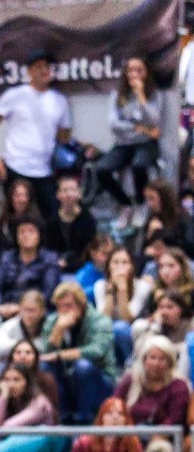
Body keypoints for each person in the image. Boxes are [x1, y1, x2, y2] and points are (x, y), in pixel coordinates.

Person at [0, 48, 73, 221]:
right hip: (16, 167)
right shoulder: (15, 95)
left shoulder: (60, 101)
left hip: (44, 171)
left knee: (52, 218)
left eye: (47, 66)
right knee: (15, 218)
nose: (44, 70)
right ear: (29, 71)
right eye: (38, 67)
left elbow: (64, 137)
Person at [41, 281, 119, 425]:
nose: (63, 310)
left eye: (69, 305)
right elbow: (45, 355)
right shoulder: (53, 322)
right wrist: (58, 330)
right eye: (59, 306)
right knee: (44, 368)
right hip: (67, 378)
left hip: (100, 379)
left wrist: (59, 355)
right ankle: (62, 419)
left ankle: (85, 422)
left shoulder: (100, 321)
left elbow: (97, 352)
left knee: (82, 366)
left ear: (81, 304)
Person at [92, 56, 163, 209]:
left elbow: (154, 121)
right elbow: (114, 124)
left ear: (146, 72)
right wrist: (142, 129)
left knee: (139, 166)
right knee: (101, 169)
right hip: (123, 144)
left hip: (146, 144)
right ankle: (125, 203)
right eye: (130, 70)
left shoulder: (155, 94)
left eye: (139, 70)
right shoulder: (117, 95)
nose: (134, 74)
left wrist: (141, 96)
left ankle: (140, 203)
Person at [59, 398, 143, 452]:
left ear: (126, 420)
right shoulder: (83, 443)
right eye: (109, 413)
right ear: (101, 418)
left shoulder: (132, 445)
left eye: (120, 413)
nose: (115, 417)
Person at [112, 336, 189, 427]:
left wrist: (156, 435)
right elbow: (113, 406)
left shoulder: (178, 386)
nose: (156, 364)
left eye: (162, 359)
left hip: (163, 437)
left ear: (170, 362)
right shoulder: (130, 379)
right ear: (144, 360)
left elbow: (175, 419)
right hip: (129, 435)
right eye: (152, 358)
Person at [0, 217, 61, 313]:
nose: (26, 235)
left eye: (31, 232)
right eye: (22, 232)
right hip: (6, 307)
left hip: (35, 310)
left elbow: (48, 294)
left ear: (39, 236)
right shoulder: (7, 257)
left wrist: (20, 308)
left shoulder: (49, 259)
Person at [97, 246, 152, 365]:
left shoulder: (142, 286)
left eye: (125, 262)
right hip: (108, 332)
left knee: (119, 327)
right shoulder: (100, 285)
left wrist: (122, 289)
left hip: (134, 333)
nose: (119, 267)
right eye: (115, 262)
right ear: (108, 266)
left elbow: (126, 319)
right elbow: (103, 319)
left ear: (131, 267)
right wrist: (111, 291)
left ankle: (132, 364)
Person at [0, 290, 48, 380]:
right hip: (13, 361)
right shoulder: (9, 326)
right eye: (25, 310)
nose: (28, 314)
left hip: (39, 362)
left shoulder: (49, 326)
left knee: (44, 363)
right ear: (19, 310)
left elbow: (51, 348)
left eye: (32, 310)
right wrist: (22, 348)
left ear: (43, 311)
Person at [44, 175, 96, 273]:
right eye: (65, 190)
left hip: (82, 267)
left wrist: (70, 263)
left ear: (79, 194)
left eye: (72, 190)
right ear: (58, 195)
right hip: (56, 266)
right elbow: (49, 249)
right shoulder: (51, 220)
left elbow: (89, 250)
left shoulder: (88, 219)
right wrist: (57, 262)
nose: (69, 194)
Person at [0, 363, 57, 428]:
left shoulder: (40, 402)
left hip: (42, 440)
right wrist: (3, 396)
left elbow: (7, 428)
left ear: (27, 382)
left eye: (16, 380)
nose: (11, 385)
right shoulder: (9, 399)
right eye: (6, 380)